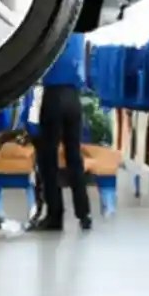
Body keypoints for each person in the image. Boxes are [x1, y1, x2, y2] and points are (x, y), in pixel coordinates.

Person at [30, 32, 93, 231]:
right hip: (74, 98)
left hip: (53, 96)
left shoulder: (52, 27)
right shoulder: (79, 35)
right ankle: (84, 214)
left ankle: (55, 216)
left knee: (47, 158)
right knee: (74, 156)